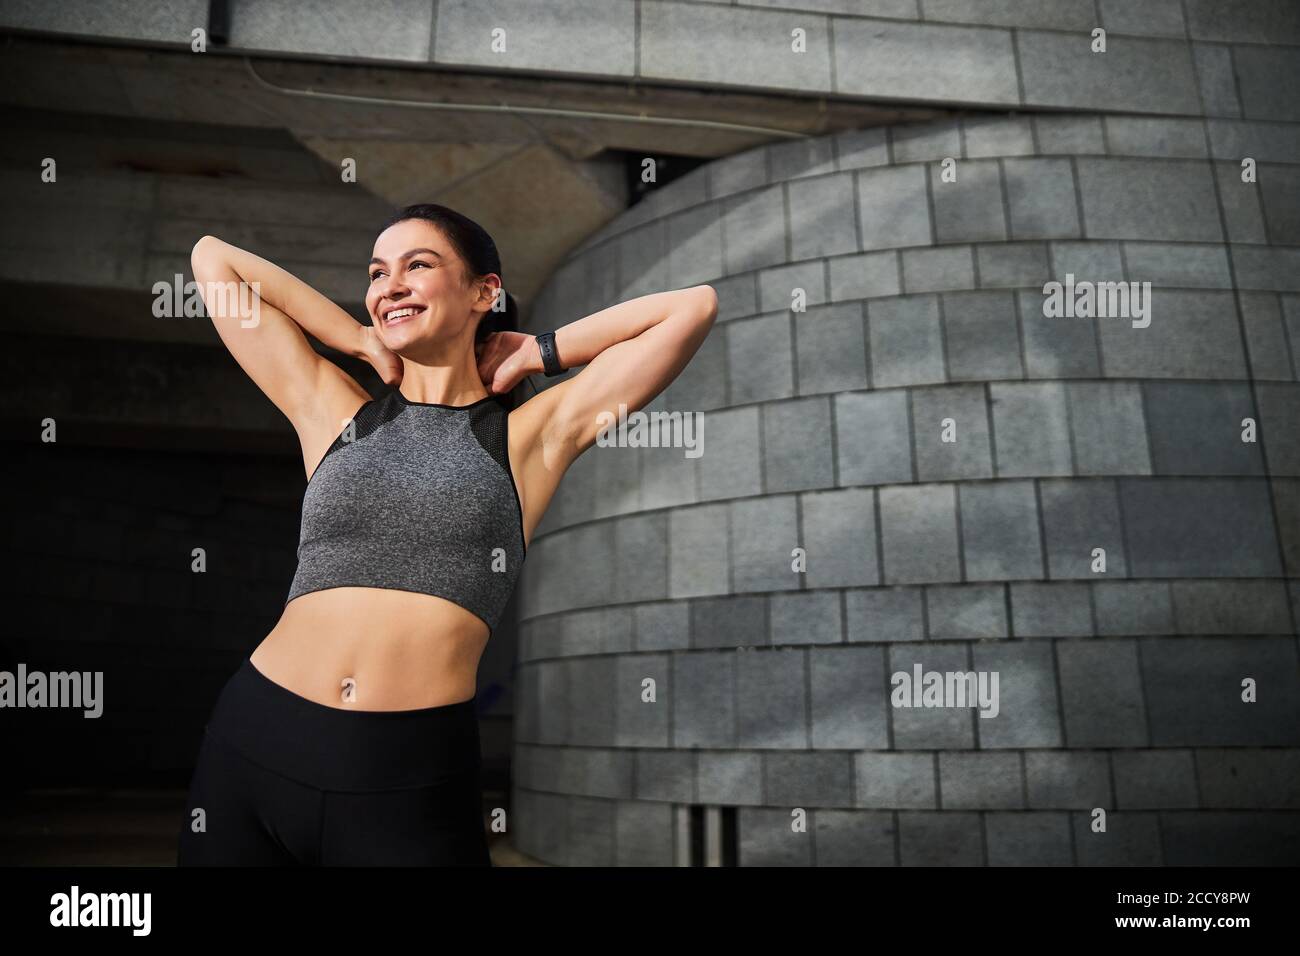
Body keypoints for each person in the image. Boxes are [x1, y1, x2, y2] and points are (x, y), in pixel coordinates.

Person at [175, 203, 717, 865]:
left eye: (418, 266)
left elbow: (691, 308)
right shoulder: (334, 410)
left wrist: (543, 352)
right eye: (377, 273)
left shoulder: (528, 438)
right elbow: (212, 258)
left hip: (408, 775)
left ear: (484, 292)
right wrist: (353, 335)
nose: (389, 285)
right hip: (255, 741)